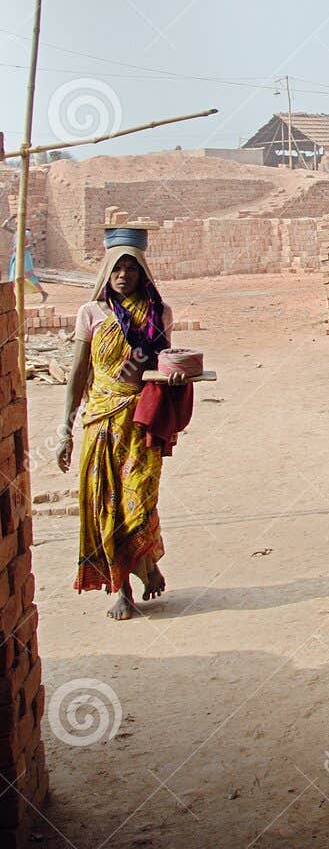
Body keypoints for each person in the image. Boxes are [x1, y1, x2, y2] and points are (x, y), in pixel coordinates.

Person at [57, 227, 188, 620]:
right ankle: (122, 588)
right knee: (106, 507)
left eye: (131, 268)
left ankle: (146, 564)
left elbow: (164, 366)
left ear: (142, 272)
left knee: (138, 502)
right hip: (100, 421)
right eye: (117, 268)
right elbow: (78, 374)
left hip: (140, 420)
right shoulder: (91, 313)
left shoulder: (158, 313)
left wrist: (177, 377)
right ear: (107, 272)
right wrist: (64, 427)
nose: (123, 276)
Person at [3, 214, 48, 302]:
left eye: (18, 224)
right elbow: (3, 226)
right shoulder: (16, 232)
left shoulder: (27, 233)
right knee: (13, 277)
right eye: (16, 224)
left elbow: (31, 245)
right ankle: (11, 297)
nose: (16, 225)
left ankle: (43, 292)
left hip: (24, 257)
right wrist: (10, 218)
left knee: (29, 276)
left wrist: (21, 248)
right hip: (15, 256)